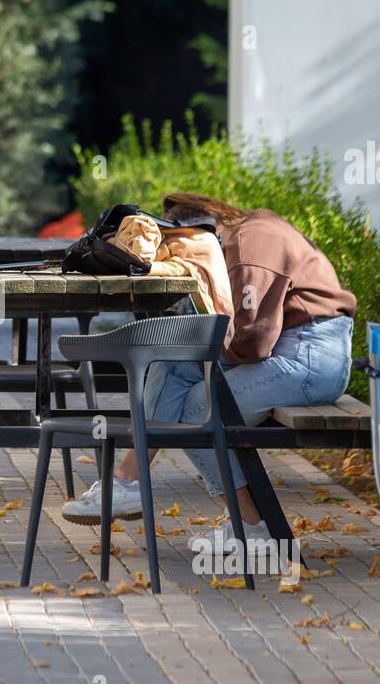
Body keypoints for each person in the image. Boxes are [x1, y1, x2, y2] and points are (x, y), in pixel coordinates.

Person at [60, 193, 357, 544]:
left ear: (202, 232)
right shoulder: (242, 235)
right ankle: (127, 481)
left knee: (197, 410)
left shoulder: (250, 245)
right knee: (168, 361)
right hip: (293, 349)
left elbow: (253, 341)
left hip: (310, 360)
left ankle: (250, 526)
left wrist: (204, 345)